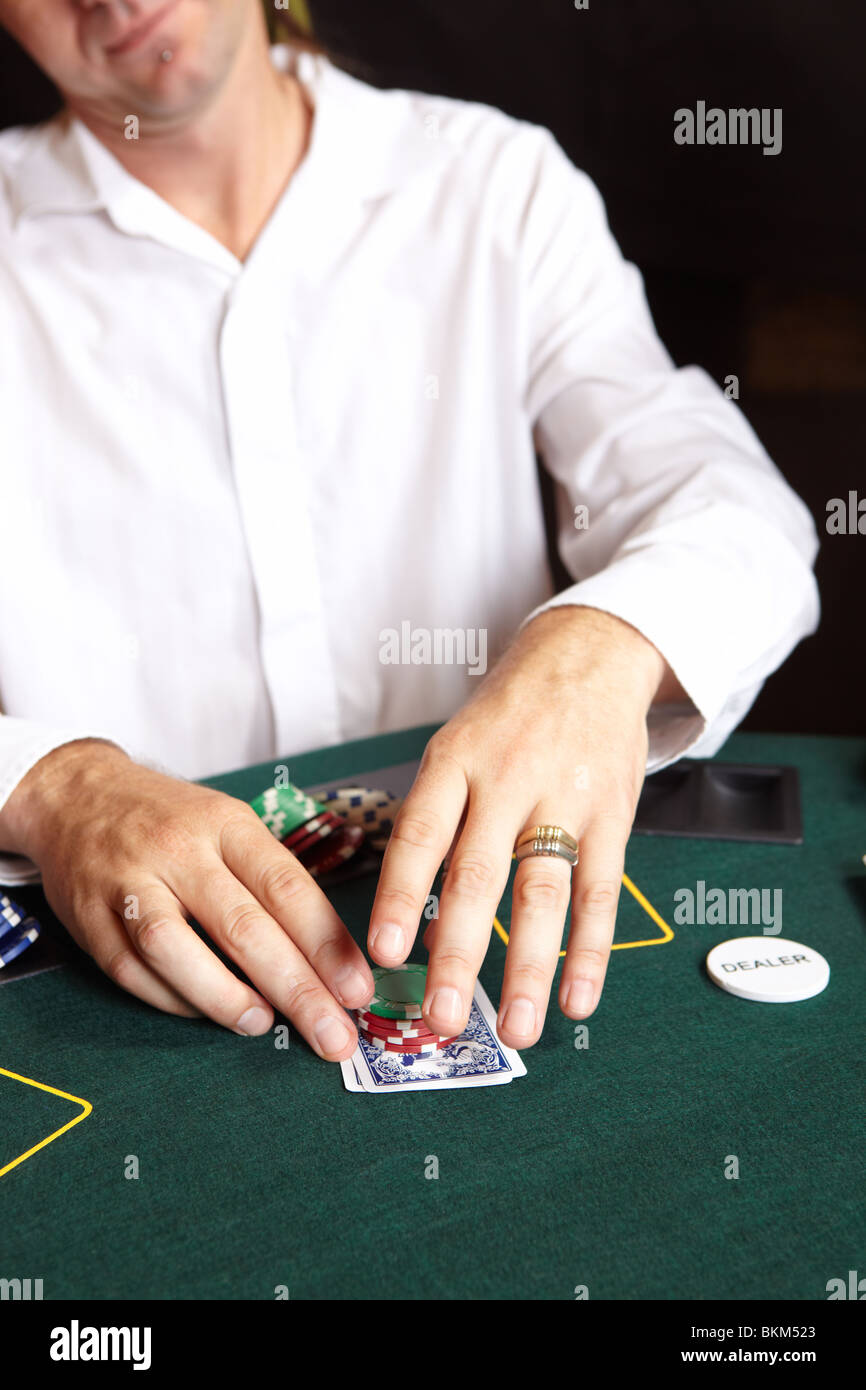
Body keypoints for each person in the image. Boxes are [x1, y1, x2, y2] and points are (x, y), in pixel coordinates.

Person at [0, 0, 819, 1060]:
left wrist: (596, 652)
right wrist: (53, 785)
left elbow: (734, 506)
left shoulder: (495, 182)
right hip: (133, 1011)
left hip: (474, 946)